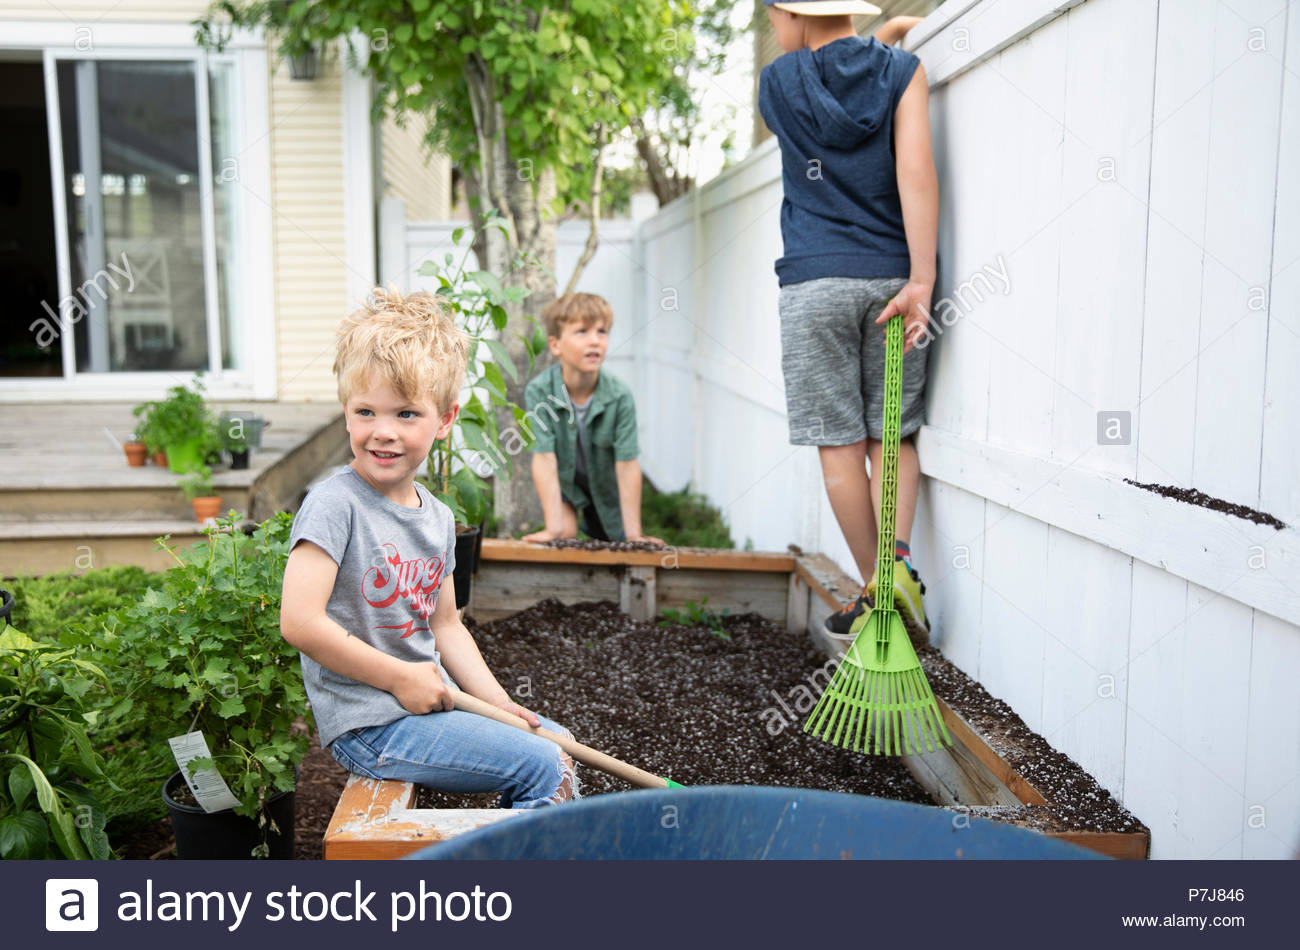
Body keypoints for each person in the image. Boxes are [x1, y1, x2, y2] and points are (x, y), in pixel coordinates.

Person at [280, 288, 577, 808]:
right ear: (346, 413)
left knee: (556, 742)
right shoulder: (334, 505)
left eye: (407, 414)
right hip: (371, 723)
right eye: (366, 411)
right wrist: (400, 678)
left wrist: (501, 704)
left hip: (428, 705)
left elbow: (445, 625)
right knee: (542, 766)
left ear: (444, 420)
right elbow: (300, 623)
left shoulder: (436, 517)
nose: (383, 433)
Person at [758, 1, 936, 646]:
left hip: (815, 284)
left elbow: (819, 73)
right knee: (894, 435)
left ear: (790, 13)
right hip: (893, 278)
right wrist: (921, 280)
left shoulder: (778, 82)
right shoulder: (903, 73)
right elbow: (915, 172)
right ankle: (898, 567)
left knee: (840, 447)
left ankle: (879, 593)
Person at [521, 292, 663, 545]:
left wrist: (634, 535)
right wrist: (552, 527)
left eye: (602, 331)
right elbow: (544, 457)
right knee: (563, 537)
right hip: (568, 483)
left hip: (606, 485)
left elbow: (627, 464)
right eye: (582, 332)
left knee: (616, 542)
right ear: (555, 345)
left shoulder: (619, 395)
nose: (595, 341)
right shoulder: (540, 391)